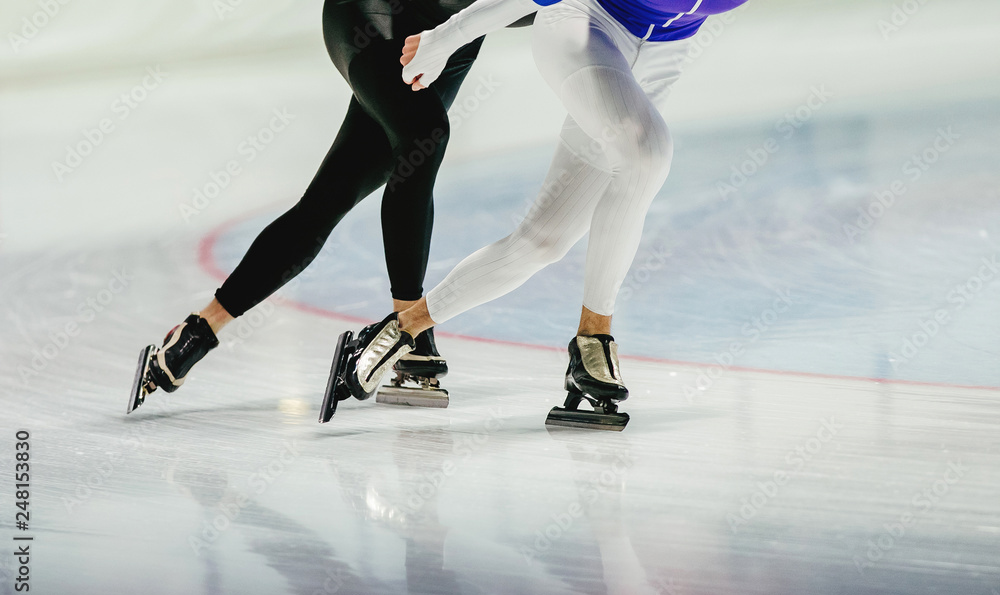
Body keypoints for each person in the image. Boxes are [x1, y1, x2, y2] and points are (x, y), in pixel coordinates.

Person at [322, 0, 750, 429]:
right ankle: (593, 339)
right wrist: (447, 37)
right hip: (584, 25)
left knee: (542, 240)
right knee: (645, 153)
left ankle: (399, 330)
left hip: (661, 54)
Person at [128, 0, 510, 413]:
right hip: (372, 15)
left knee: (329, 200)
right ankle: (406, 332)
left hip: (452, 38)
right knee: (425, 135)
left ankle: (196, 332)